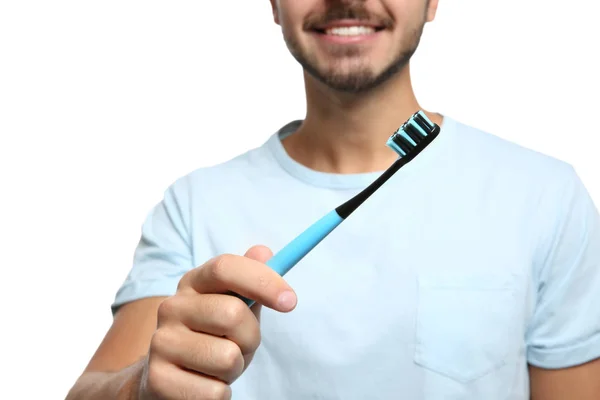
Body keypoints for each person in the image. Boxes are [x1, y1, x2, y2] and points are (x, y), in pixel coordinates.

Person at [66, 0, 600, 399]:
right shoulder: (193, 206)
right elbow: (90, 388)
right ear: (274, 4)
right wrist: (143, 386)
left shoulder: (545, 196)